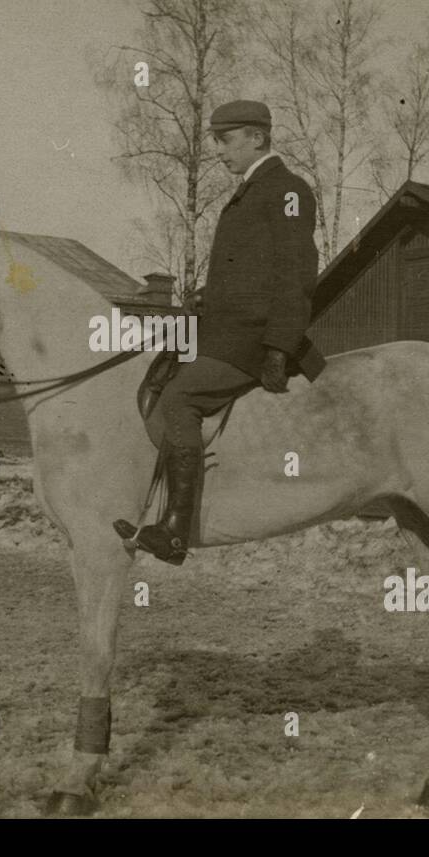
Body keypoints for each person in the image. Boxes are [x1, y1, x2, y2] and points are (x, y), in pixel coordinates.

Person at [114, 99, 326, 564]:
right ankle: (153, 508)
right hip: (227, 330)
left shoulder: (287, 190)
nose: (219, 151)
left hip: (252, 340)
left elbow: (296, 272)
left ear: (257, 137)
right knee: (160, 377)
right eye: (215, 141)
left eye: (226, 140)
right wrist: (212, 295)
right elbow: (252, 271)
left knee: (181, 398)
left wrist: (278, 347)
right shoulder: (251, 192)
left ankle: (176, 531)